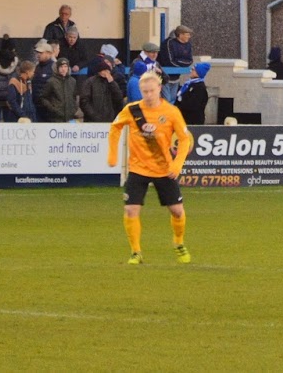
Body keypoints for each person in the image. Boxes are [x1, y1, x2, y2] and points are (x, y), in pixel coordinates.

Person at [107, 69, 195, 266]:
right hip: (138, 168)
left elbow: (184, 139)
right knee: (131, 210)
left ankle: (179, 242)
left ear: (159, 88)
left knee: (177, 211)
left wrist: (177, 164)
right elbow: (115, 128)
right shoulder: (132, 110)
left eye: (151, 91)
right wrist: (112, 155)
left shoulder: (171, 112)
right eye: (144, 91)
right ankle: (135, 252)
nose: (148, 95)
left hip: (164, 169)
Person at [79, 57, 124, 123]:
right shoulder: (90, 82)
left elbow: (119, 98)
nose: (106, 72)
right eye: (104, 70)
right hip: (92, 120)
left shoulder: (112, 83)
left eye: (107, 71)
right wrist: (93, 115)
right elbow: (84, 101)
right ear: (99, 72)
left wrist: (112, 83)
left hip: (109, 119)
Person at [37, 57, 80, 123]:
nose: (63, 69)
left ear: (68, 68)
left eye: (65, 66)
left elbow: (75, 97)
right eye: (61, 67)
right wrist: (53, 109)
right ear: (57, 68)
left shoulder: (73, 81)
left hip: (70, 117)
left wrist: (74, 109)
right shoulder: (51, 81)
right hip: (55, 118)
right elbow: (43, 97)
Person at [176, 62, 211, 126]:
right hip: (184, 118)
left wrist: (179, 107)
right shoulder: (189, 84)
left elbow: (193, 105)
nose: (190, 71)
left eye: (193, 69)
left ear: (198, 73)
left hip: (193, 121)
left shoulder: (200, 88)